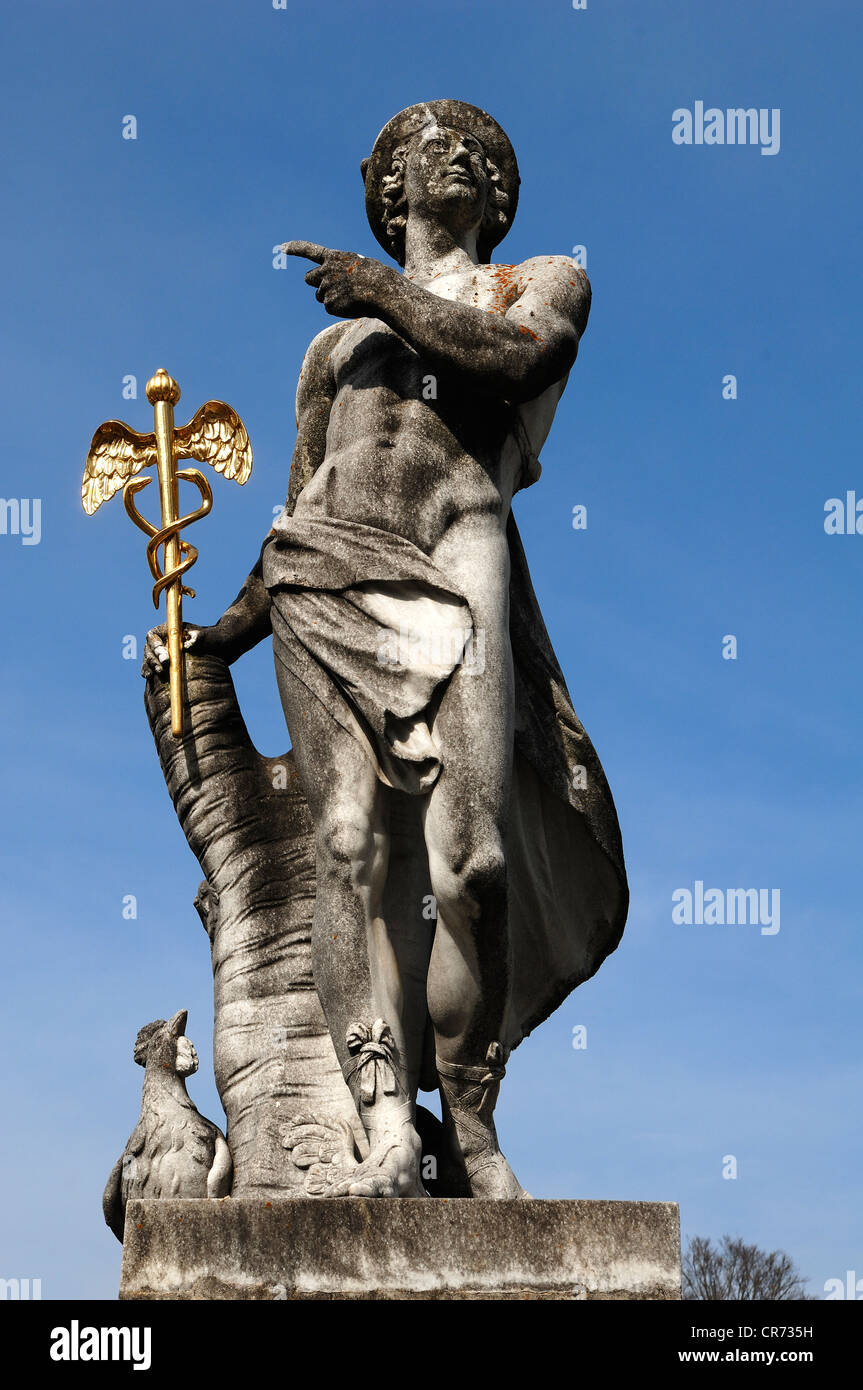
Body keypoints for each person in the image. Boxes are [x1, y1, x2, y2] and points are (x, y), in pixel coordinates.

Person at [144, 101, 628, 1199]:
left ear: (495, 194)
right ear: (390, 185)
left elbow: (517, 361)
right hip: (320, 567)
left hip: (458, 540)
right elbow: (296, 500)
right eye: (425, 145)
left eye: (475, 150)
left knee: (474, 862)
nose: (452, 153)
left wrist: (382, 291)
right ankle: (384, 1127)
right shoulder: (332, 350)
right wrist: (216, 634)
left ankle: (471, 1117)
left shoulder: (538, 281)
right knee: (346, 847)